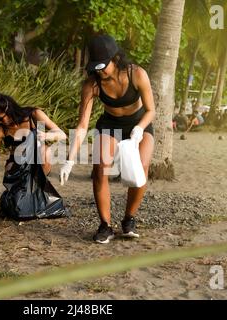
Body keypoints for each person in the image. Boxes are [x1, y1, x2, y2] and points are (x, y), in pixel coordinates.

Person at [59, 35, 155, 244]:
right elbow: (83, 125)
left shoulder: (137, 74)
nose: (99, 71)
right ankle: (105, 225)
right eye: (95, 67)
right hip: (111, 125)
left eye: (103, 66)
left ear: (115, 59)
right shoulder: (92, 85)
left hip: (140, 122)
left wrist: (139, 129)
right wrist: (70, 160)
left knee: (142, 166)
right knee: (100, 168)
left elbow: (151, 110)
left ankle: (129, 219)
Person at [0, 90, 66, 209]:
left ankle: (37, 189)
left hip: (37, 162)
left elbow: (61, 134)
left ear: (9, 110)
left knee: (45, 151)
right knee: (16, 204)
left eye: (1, 118)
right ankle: (22, 193)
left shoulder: (33, 115)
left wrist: (46, 135)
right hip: (17, 163)